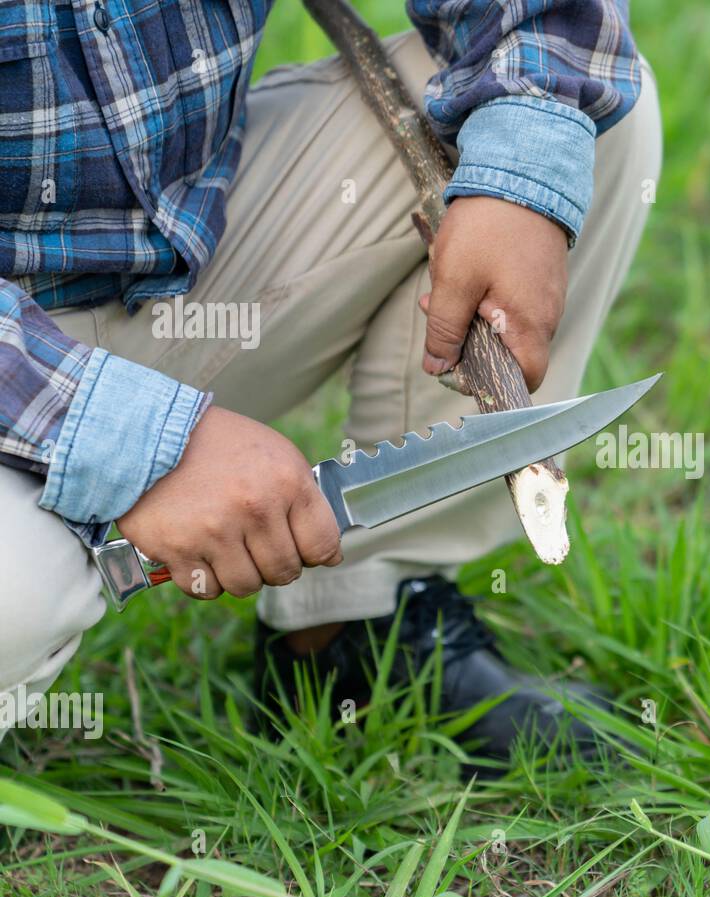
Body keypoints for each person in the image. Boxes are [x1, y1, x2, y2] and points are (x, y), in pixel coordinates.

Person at [0, 1, 661, 757]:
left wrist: (517, 179)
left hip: (183, 268)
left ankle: (355, 631)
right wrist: (125, 436)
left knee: (577, 108)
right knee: (13, 596)